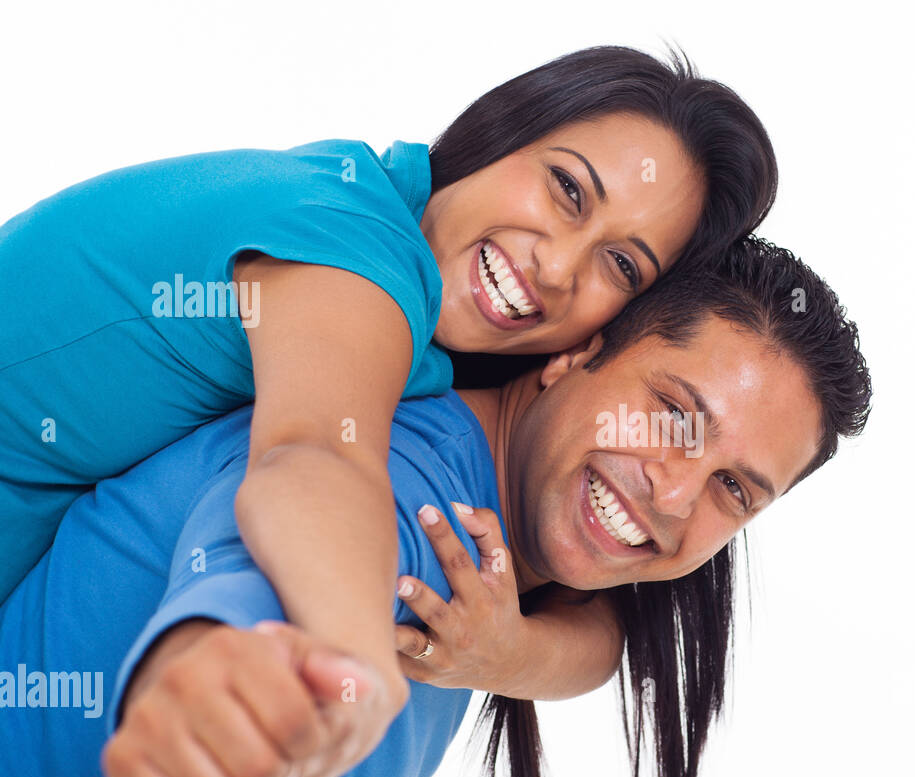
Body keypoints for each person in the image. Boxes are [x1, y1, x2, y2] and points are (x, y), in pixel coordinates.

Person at [0, 239, 872, 777]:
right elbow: (280, 553)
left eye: (734, 490)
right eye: (673, 417)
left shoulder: (499, 592)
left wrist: (517, 652)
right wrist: (227, 659)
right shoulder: (410, 484)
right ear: (578, 354)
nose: (676, 495)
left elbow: (596, 650)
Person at [0, 46, 778, 722]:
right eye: (568, 190)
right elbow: (310, 458)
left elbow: (602, 625)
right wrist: (347, 660)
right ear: (503, 129)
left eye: (621, 265)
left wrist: (513, 654)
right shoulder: (355, 255)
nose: (556, 266)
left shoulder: (427, 318)